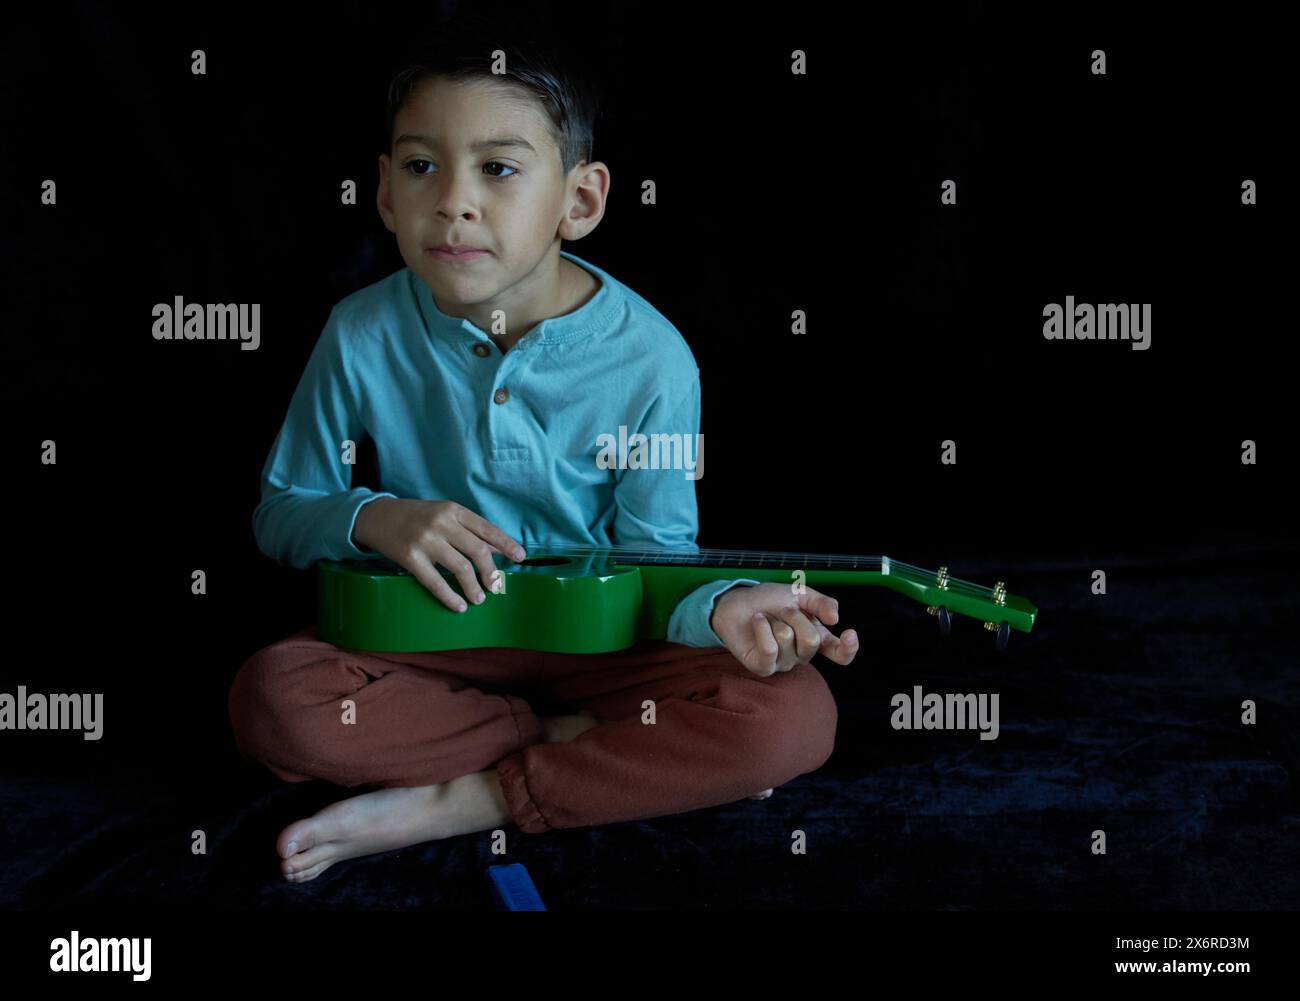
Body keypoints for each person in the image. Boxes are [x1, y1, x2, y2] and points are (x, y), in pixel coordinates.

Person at [227, 16, 857, 884]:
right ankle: (573, 749)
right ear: (383, 194)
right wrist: (376, 517)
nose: (453, 199)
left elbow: (656, 557)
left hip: (610, 649)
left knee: (792, 717)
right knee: (275, 699)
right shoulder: (359, 333)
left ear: (581, 201)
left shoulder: (653, 358)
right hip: (435, 640)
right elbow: (281, 509)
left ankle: (472, 797)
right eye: (421, 167)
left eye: (498, 168)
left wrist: (720, 608)